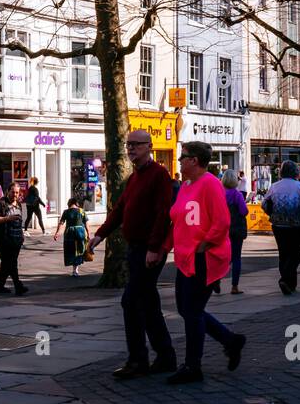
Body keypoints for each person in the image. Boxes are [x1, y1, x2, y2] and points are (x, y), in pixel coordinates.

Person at [90, 129, 176, 380]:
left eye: (136, 145)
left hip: (147, 250)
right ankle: (166, 356)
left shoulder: (159, 175)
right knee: (149, 304)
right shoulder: (133, 178)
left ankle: (138, 360)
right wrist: (100, 234)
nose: (130, 149)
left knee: (130, 301)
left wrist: (153, 248)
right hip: (135, 248)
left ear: (149, 146)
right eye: (128, 145)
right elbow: (119, 210)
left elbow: (163, 214)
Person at [158, 140, 246, 385]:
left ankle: (193, 366)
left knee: (192, 312)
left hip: (203, 258)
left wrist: (204, 245)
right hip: (185, 257)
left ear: (194, 160)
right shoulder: (186, 185)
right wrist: (167, 247)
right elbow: (178, 219)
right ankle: (230, 340)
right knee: (187, 310)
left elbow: (222, 221)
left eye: (182, 157)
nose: (179, 161)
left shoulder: (210, 184)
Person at [262, 159, 300, 296]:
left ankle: (289, 282)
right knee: (297, 251)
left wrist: (272, 213)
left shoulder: (274, 186)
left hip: (278, 225)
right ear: (296, 172)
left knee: (283, 253)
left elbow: (265, 204)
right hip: (296, 225)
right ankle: (287, 279)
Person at [0, 181, 28, 295]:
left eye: (17, 192)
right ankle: (18, 286)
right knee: (10, 263)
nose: (15, 195)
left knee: (7, 264)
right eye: (13, 192)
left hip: (16, 239)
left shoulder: (19, 204)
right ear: (8, 191)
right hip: (3, 239)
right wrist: (9, 218)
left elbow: (19, 221)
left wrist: (22, 235)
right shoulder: (1, 203)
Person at [222, 169, 248, 295]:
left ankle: (216, 281)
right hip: (236, 229)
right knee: (236, 257)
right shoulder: (237, 195)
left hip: (222, 229)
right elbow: (244, 211)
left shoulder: (220, 193)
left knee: (223, 257)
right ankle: (234, 286)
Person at [53, 197, 89, 277]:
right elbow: (86, 224)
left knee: (71, 250)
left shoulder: (66, 212)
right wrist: (89, 234)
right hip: (80, 232)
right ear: (76, 203)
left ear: (69, 203)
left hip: (69, 233)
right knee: (78, 250)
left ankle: (74, 270)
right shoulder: (82, 211)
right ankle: (75, 270)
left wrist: (57, 233)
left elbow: (61, 223)